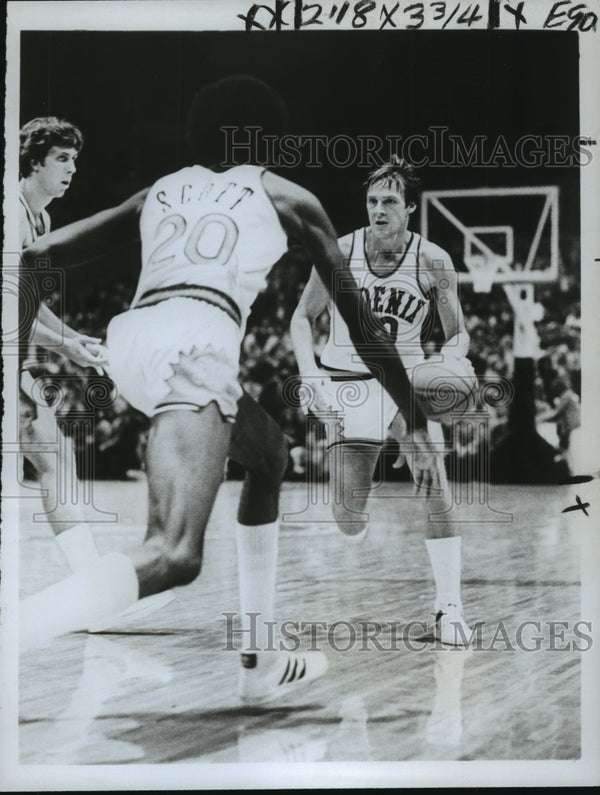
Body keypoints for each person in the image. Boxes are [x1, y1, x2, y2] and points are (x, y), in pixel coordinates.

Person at [19, 77, 441, 702]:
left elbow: (34, 259)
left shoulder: (160, 189)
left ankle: (259, 660)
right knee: (174, 555)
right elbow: (364, 326)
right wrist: (416, 422)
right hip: (194, 341)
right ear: (269, 142)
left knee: (268, 454)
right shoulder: (288, 197)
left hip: (133, 340)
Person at [290, 157, 473, 644]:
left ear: (410, 207)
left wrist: (452, 360)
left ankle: (450, 608)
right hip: (346, 382)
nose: (378, 209)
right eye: (372, 200)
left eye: (390, 200)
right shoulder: (339, 251)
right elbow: (302, 317)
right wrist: (309, 373)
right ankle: (358, 500)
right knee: (348, 520)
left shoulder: (433, 260)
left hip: (403, 381)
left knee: (433, 476)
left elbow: (457, 332)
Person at [18, 117, 108, 572]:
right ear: (34, 162)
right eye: (61, 158)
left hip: (10, 356)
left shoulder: (43, 219)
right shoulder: (10, 214)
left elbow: (28, 305)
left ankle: (90, 579)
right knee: (53, 455)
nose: (72, 168)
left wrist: (74, 337)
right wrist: (64, 348)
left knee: (55, 454)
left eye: (74, 159)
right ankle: (91, 582)